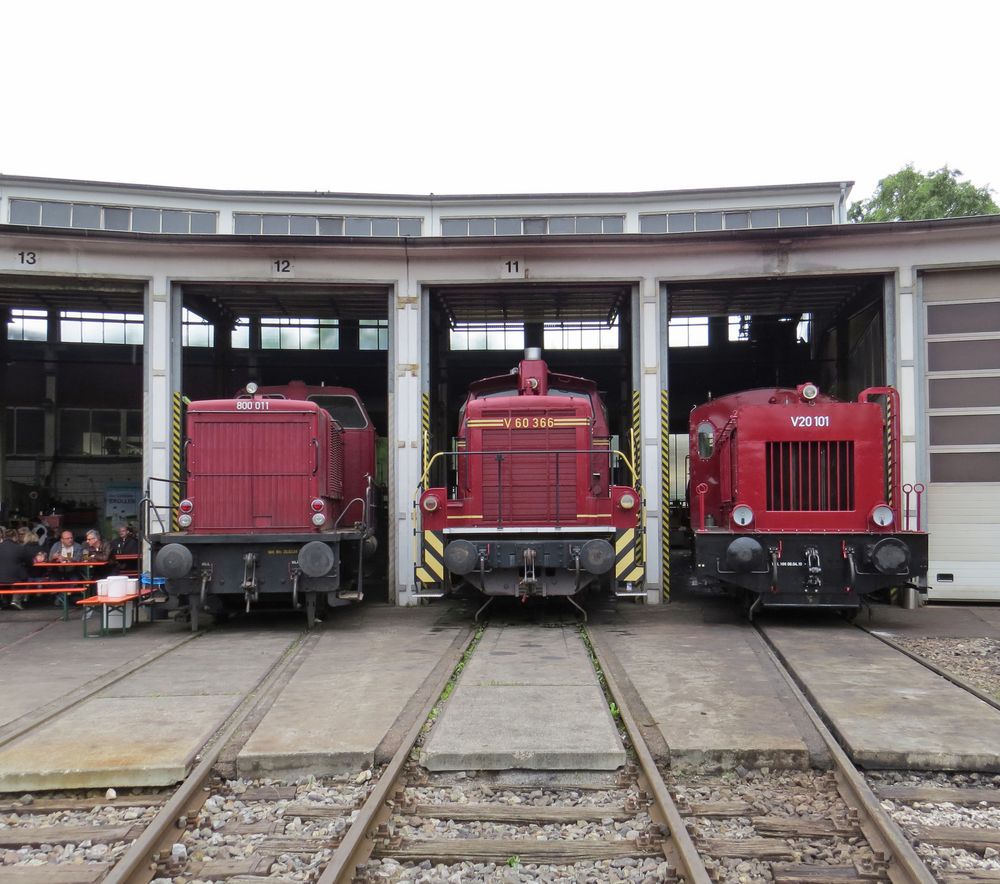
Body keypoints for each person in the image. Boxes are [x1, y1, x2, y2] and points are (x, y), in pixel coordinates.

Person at [0, 529, 34, 609]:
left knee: (4, 579)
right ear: (15, 537)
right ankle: (16, 599)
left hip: (1, 577)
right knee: (23, 576)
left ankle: (4, 600)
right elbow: (30, 563)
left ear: (4, 537)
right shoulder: (20, 548)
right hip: (15, 577)